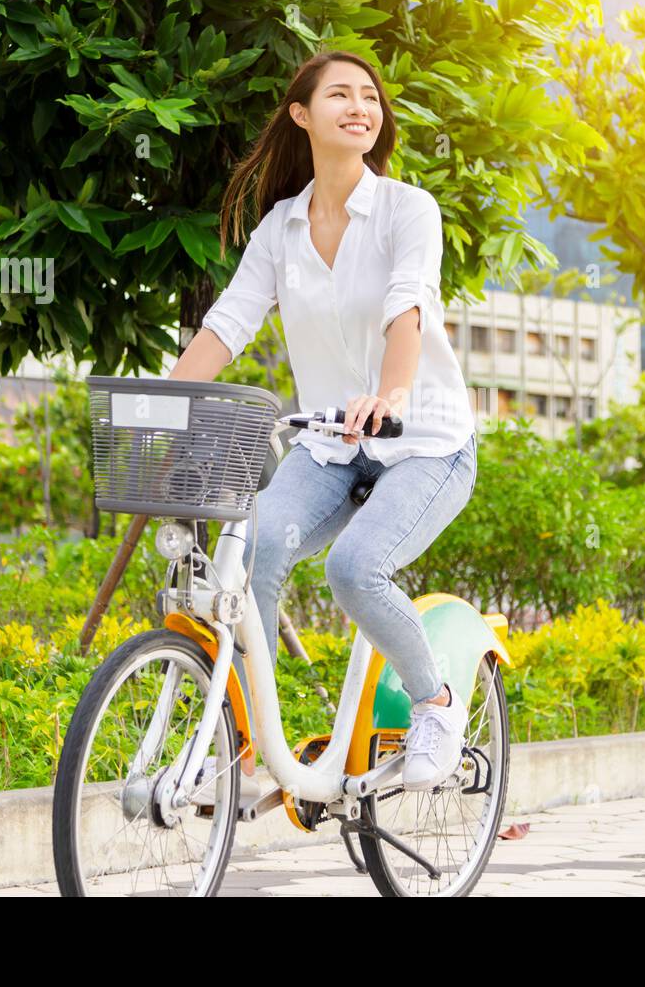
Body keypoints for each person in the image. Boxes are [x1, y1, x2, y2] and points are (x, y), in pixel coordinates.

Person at [170, 49, 478, 792]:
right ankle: (251, 751)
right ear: (301, 115)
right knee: (255, 552)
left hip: (425, 440)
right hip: (332, 443)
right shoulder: (279, 230)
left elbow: (408, 304)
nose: (360, 107)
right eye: (340, 94)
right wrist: (162, 404)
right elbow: (226, 326)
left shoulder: (409, 210)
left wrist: (393, 394)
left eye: (370, 96)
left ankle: (436, 704)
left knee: (354, 566)